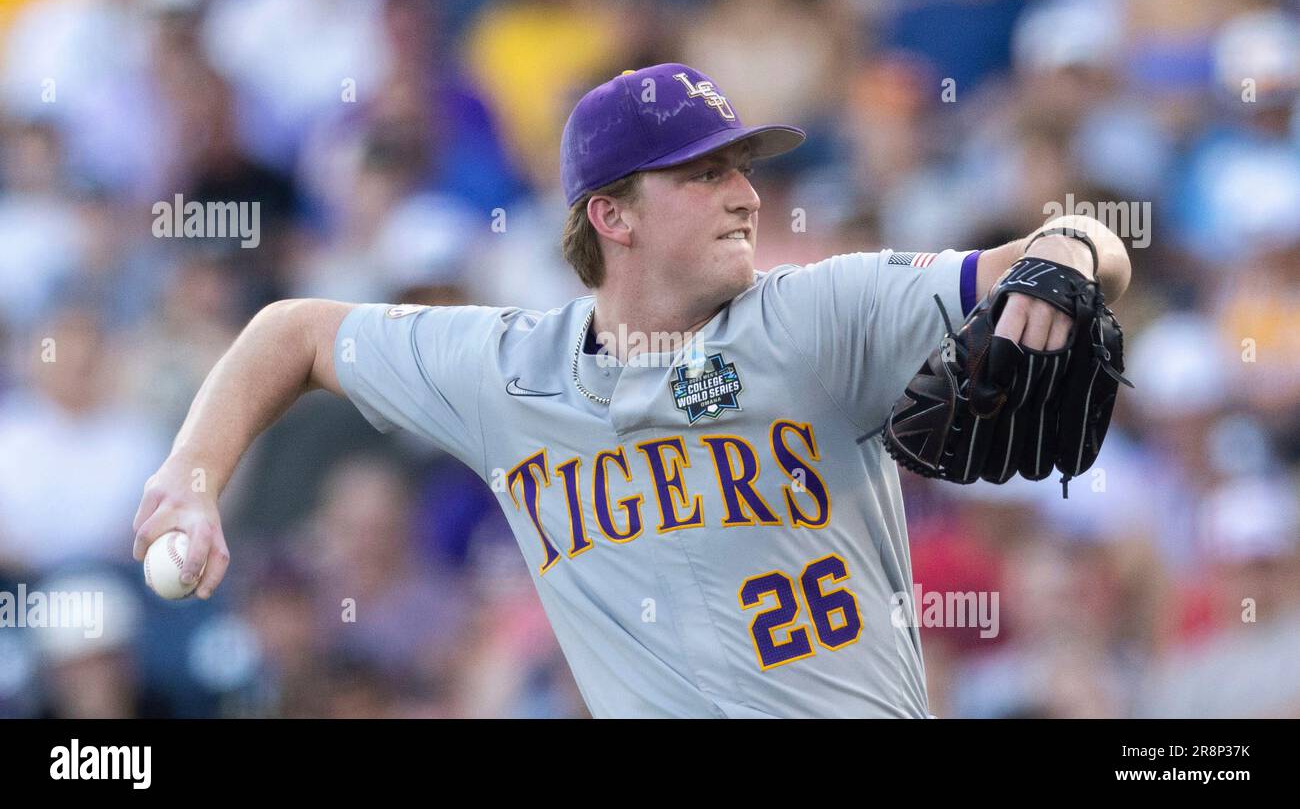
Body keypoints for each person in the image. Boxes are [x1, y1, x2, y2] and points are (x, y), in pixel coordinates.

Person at [133, 64, 1131, 718]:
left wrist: (1064, 258)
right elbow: (291, 331)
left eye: (741, 167)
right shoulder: (506, 371)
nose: (744, 192)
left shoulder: (822, 315)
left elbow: (1073, 249)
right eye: (702, 173)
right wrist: (190, 470)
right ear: (609, 213)